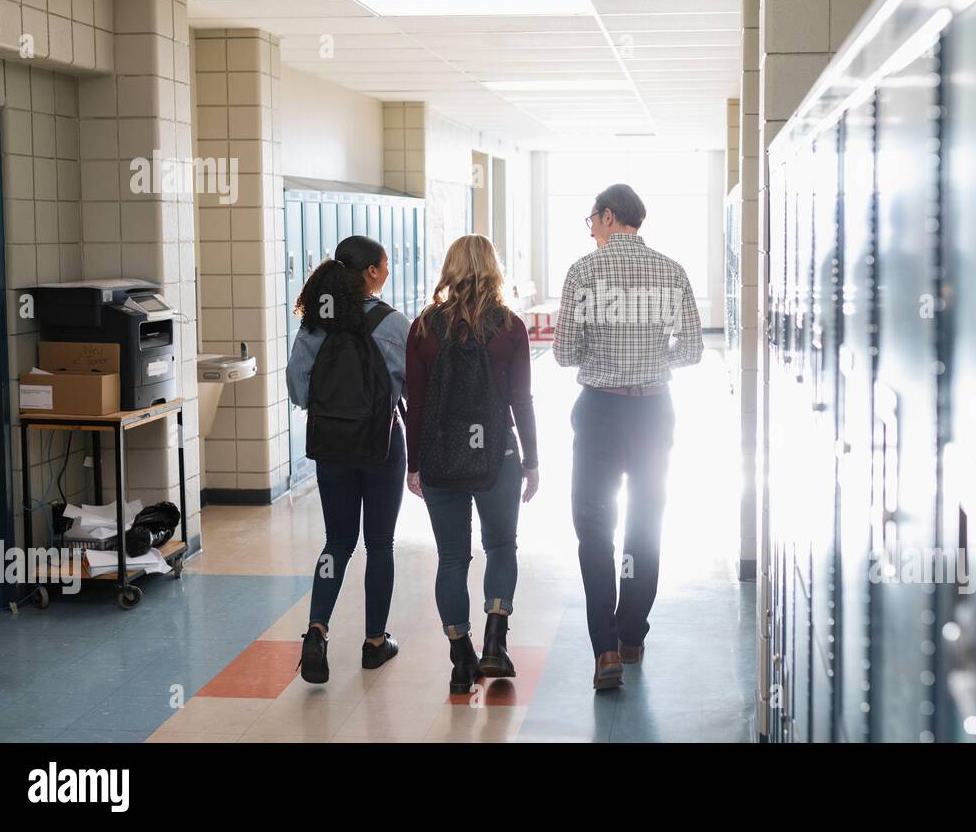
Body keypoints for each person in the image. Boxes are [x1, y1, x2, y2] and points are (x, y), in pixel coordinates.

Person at [553, 183, 703, 690]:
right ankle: (633, 632)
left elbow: (565, 353)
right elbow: (692, 352)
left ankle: (606, 650)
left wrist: (604, 351)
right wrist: (654, 359)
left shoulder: (583, 271)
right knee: (644, 522)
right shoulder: (671, 270)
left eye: (592, 219)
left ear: (609, 216)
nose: (591, 229)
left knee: (594, 530)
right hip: (654, 411)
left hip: (599, 412)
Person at [406, 234, 539, 695]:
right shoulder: (509, 326)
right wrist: (532, 460)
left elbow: (416, 405)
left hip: (441, 457)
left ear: (450, 268)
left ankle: (461, 659)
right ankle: (495, 644)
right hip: (496, 454)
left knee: (452, 559)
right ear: (493, 268)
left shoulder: (423, 327)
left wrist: (414, 464)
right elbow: (521, 399)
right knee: (501, 546)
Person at [286, 235, 411, 684]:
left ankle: (317, 630)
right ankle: (375, 643)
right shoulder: (395, 324)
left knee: (337, 541)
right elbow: (412, 391)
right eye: (386, 261)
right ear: (373, 273)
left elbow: (299, 388)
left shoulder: (318, 321)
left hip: (332, 447)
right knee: (380, 544)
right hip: (381, 445)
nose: (389, 267)